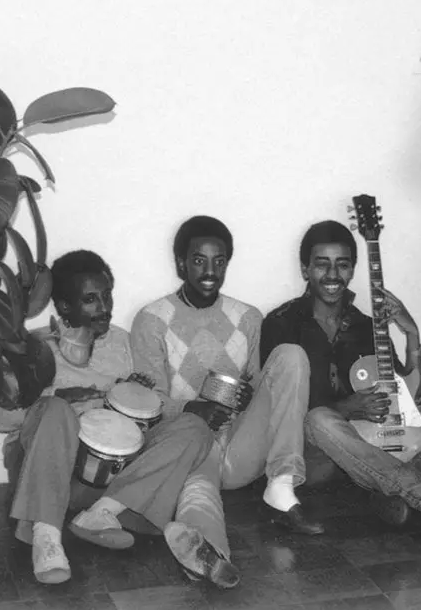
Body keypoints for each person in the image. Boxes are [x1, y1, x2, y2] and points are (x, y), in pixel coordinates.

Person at [0, 250, 226, 587]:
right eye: (91, 299)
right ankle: (46, 535)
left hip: (110, 475)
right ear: (64, 306)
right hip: (48, 473)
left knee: (194, 429)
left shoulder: (122, 342)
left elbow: (147, 406)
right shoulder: (34, 346)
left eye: (107, 295)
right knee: (55, 411)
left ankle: (103, 513)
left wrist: (160, 402)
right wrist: (54, 398)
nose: (105, 307)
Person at [262, 221, 421, 536]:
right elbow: (278, 411)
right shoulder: (281, 324)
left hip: (377, 443)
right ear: (305, 270)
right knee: (320, 419)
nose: (332, 275)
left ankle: (393, 493)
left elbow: (413, 401)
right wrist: (347, 408)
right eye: (321, 265)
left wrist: (411, 333)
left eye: (342, 265)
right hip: (319, 454)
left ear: (353, 270)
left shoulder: (368, 326)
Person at [130, 216, 324, 581]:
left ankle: (282, 486)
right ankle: (210, 556)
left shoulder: (247, 317)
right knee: (199, 494)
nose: (210, 270)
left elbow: (256, 384)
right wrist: (191, 408)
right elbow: (149, 402)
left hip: (239, 446)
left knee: (290, 355)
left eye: (219, 261)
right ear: (180, 263)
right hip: (188, 444)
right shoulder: (152, 320)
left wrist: (247, 396)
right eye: (199, 260)